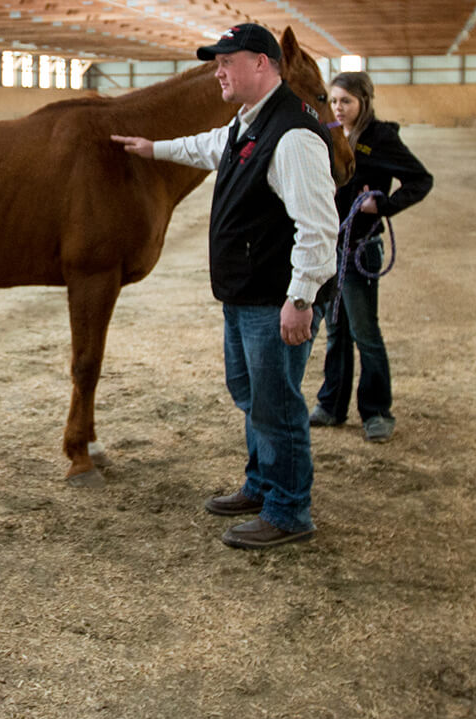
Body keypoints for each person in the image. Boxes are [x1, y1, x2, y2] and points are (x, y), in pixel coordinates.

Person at [110, 23, 338, 549]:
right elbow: (208, 147)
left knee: (276, 403)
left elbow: (319, 226)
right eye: (216, 62)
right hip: (244, 295)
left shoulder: (295, 135)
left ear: (262, 63)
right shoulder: (247, 123)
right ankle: (261, 485)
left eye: (226, 62)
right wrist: (152, 149)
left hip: (274, 298)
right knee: (250, 394)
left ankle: (288, 510)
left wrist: (301, 298)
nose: (218, 71)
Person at [308, 71, 433, 443]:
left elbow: (420, 179)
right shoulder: (331, 134)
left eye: (346, 101)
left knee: (365, 332)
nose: (338, 108)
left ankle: (377, 410)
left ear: (364, 101)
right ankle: (331, 404)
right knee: (336, 332)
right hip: (332, 249)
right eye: (333, 101)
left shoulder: (381, 138)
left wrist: (384, 205)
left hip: (360, 247)